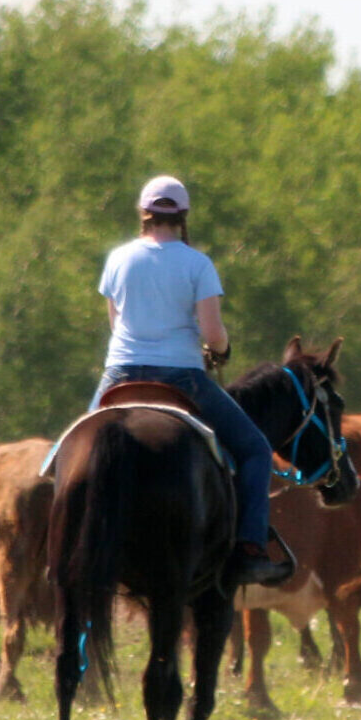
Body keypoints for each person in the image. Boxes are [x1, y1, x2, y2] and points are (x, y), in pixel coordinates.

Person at [92, 176, 291, 587]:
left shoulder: (118, 259)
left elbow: (116, 323)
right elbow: (213, 333)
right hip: (181, 377)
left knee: (66, 453)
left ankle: (58, 534)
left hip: (120, 374)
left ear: (143, 215)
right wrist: (220, 349)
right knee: (254, 449)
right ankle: (250, 548)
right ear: (182, 217)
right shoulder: (197, 264)